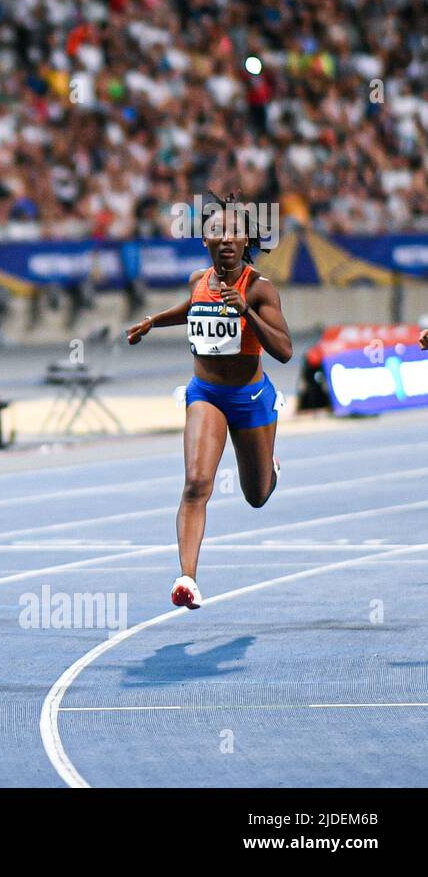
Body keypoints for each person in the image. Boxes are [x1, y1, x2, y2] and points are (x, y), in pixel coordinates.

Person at [126, 192, 292, 609]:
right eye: (216, 232)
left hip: (251, 397)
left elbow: (285, 350)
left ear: (245, 241)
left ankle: (268, 468)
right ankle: (188, 579)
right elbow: (191, 308)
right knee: (197, 483)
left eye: (234, 232)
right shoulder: (197, 279)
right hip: (206, 395)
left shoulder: (260, 289)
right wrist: (153, 321)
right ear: (205, 240)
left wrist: (247, 313)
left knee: (256, 496)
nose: (225, 239)